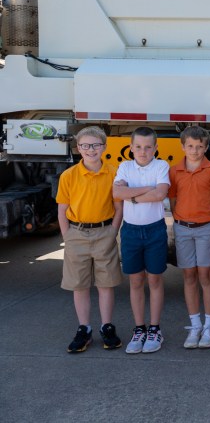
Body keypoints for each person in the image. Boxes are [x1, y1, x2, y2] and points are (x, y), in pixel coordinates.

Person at [56, 126, 124, 353]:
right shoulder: (69, 176)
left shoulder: (114, 173)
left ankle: (107, 326)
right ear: (78, 149)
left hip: (104, 231)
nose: (90, 149)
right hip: (77, 233)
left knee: (105, 283)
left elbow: (118, 206)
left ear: (104, 147)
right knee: (80, 284)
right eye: (85, 145)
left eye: (95, 145)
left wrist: (113, 231)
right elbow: (62, 209)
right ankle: (84, 328)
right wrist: (68, 235)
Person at [113, 127, 170, 354]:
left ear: (156, 148)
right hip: (131, 232)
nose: (143, 152)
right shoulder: (125, 167)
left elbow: (160, 195)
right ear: (131, 147)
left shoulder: (161, 165)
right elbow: (117, 193)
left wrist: (132, 194)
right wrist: (147, 189)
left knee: (154, 280)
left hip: (155, 230)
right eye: (138, 147)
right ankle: (139, 329)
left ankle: (155, 329)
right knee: (135, 281)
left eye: (148, 147)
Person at [168, 126, 210, 350]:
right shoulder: (174, 171)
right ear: (182, 147)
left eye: (199, 147)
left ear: (206, 147)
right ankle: (195, 325)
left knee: (205, 275)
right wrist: (182, 220)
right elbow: (172, 201)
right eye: (190, 146)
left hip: (207, 228)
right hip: (183, 228)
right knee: (188, 275)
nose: (194, 150)